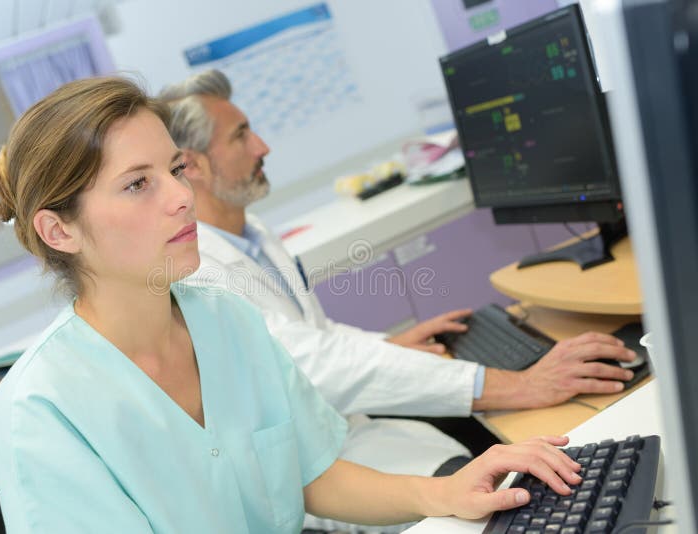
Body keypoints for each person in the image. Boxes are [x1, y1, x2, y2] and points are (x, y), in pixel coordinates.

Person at [0, 76, 583, 533]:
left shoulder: (226, 319)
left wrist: (441, 496)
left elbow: (311, 472)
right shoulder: (39, 416)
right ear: (59, 231)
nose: (182, 198)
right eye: (139, 184)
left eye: (173, 170)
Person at [158, 69, 638, 529]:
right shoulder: (201, 274)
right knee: (506, 492)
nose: (262, 146)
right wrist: (520, 385)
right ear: (193, 164)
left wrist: (391, 344)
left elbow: (314, 336)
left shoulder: (252, 232)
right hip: (327, 475)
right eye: (241, 136)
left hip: (351, 433)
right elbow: (314, 362)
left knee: (518, 457)